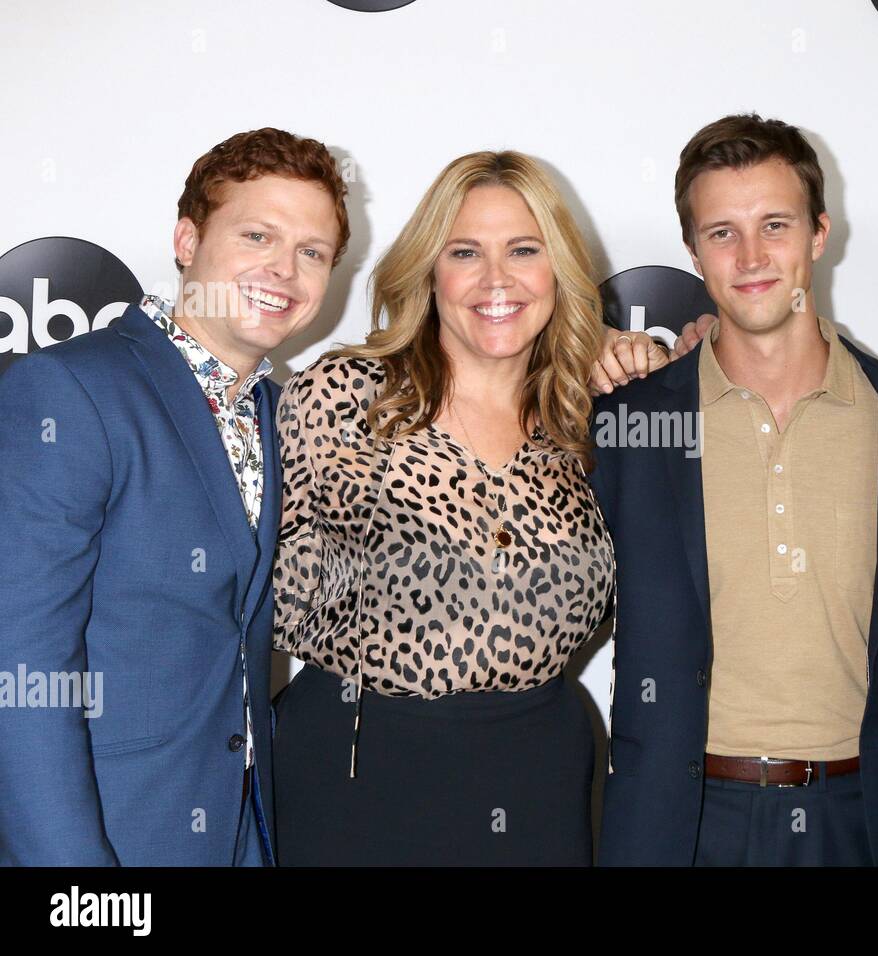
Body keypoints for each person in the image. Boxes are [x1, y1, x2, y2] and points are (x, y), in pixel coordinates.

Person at [271, 150, 640, 865]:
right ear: (429, 271)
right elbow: (254, 593)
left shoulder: (593, 418)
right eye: (465, 251)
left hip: (539, 781)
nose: (496, 279)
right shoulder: (344, 396)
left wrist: (648, 355)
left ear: (557, 271)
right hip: (357, 778)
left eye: (524, 250)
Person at [590, 114, 878, 866]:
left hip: (859, 820)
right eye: (722, 233)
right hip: (681, 823)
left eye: (774, 224)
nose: (751, 257)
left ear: (818, 232)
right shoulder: (627, 421)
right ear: (692, 251)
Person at [0, 128, 349, 865]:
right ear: (187, 240)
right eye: (258, 234)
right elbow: (21, 664)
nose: (284, 270)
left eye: (312, 252)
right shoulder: (71, 389)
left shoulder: (278, 411)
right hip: (114, 834)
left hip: (240, 826)